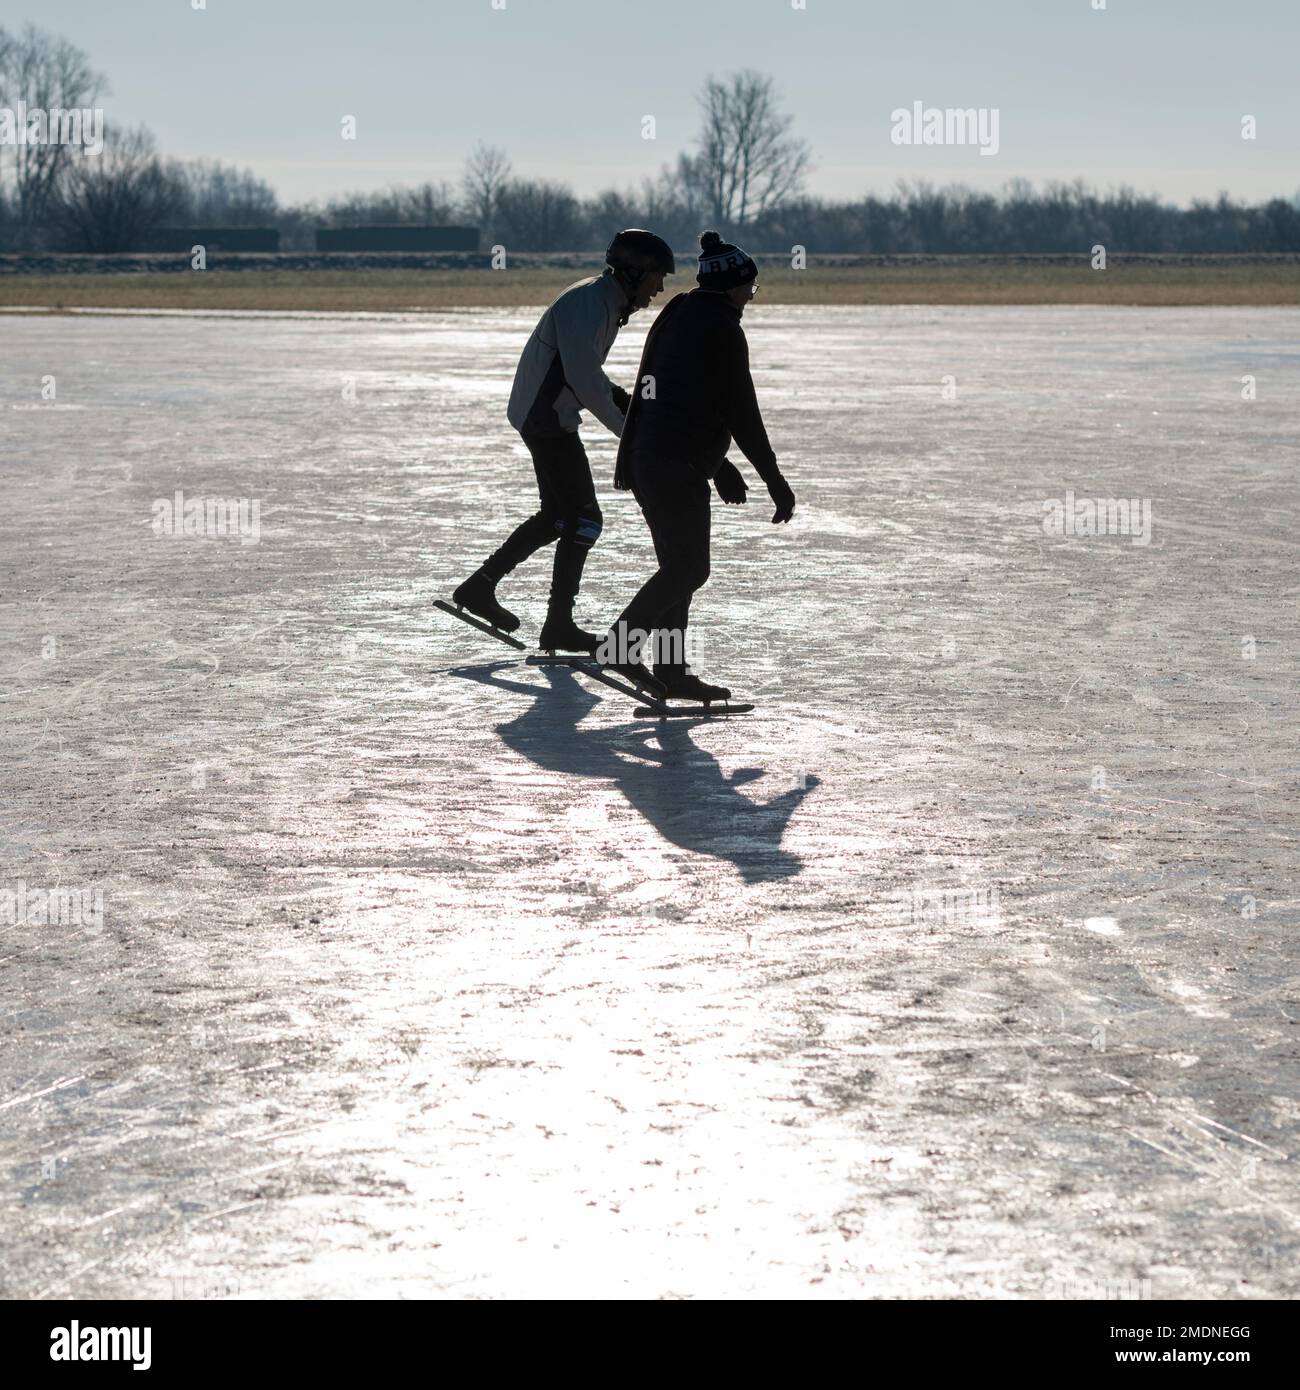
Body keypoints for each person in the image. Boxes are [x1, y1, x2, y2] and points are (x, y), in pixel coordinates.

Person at [449, 229, 675, 653]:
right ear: (634, 272)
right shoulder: (590, 303)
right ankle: (557, 625)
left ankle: (480, 588)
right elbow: (584, 381)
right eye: (657, 277)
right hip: (545, 417)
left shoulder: (605, 301)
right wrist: (629, 435)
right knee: (584, 519)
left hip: (548, 414)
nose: (660, 288)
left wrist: (629, 407)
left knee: (558, 516)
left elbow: (588, 377)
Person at [599, 230, 795, 699]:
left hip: (650, 457)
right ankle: (621, 646)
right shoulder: (723, 328)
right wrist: (775, 480)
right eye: (751, 286)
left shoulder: (682, 311)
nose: (752, 294)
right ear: (734, 287)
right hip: (673, 465)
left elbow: (679, 400)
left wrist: (719, 464)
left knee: (677, 568)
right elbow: (741, 413)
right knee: (690, 568)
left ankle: (673, 673)